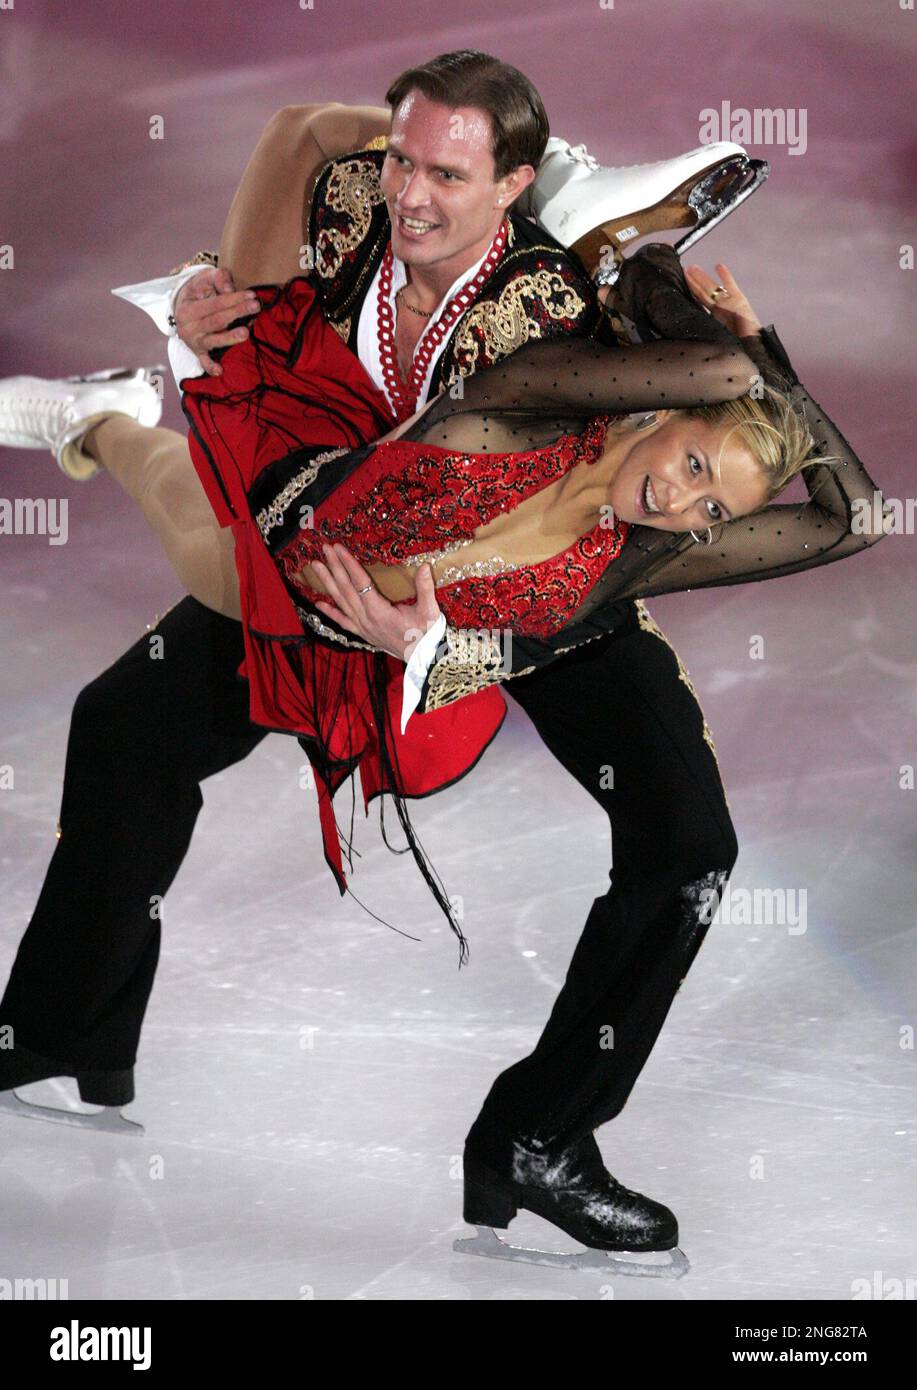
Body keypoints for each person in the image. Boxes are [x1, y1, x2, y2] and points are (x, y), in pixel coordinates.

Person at [0, 52, 888, 1268]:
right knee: (129, 723)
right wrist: (211, 311)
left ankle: (539, 1138)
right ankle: (61, 1025)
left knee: (686, 845)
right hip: (357, 540)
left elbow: (835, 509)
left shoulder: (566, 364)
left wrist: (764, 370)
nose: (412, 195)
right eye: (407, 163)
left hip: (538, 613)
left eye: (451, 174)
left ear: (512, 190)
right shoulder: (376, 225)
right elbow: (300, 160)